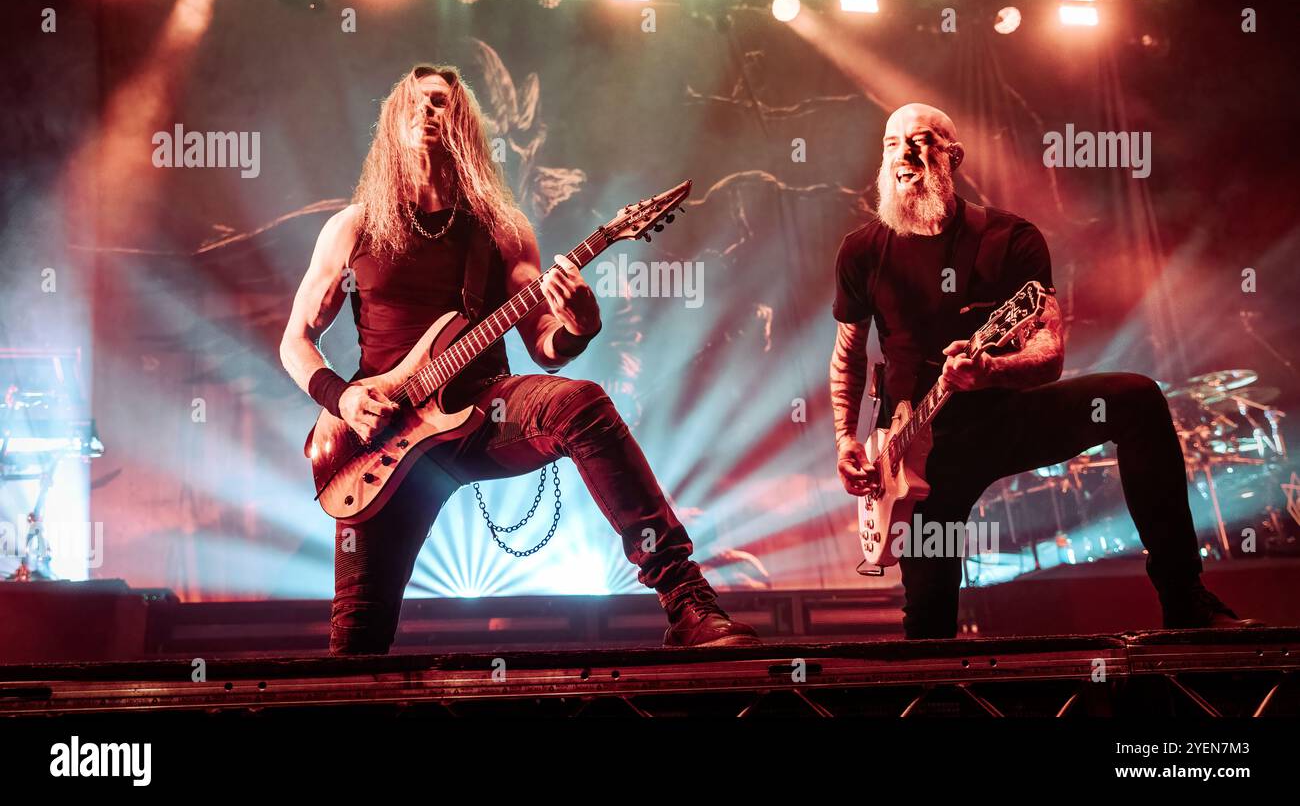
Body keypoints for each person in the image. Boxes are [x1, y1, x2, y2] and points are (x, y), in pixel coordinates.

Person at [280, 64, 759, 654]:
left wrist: (579, 327)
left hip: (485, 412)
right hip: (379, 442)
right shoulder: (354, 226)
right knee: (355, 650)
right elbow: (295, 339)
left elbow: (544, 343)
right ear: (394, 123)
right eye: (417, 103)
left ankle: (685, 600)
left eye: (442, 104)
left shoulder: (501, 229)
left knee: (579, 403)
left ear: (466, 127)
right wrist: (343, 396)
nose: (430, 112)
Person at [828, 102, 1254, 639]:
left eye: (922, 141)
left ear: (953, 157)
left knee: (1137, 399)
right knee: (929, 628)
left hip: (1005, 420)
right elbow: (847, 353)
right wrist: (846, 439)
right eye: (892, 143)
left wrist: (992, 370)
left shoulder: (1008, 238)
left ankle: (1185, 599)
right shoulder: (862, 251)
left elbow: (1049, 351)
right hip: (913, 457)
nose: (904, 154)